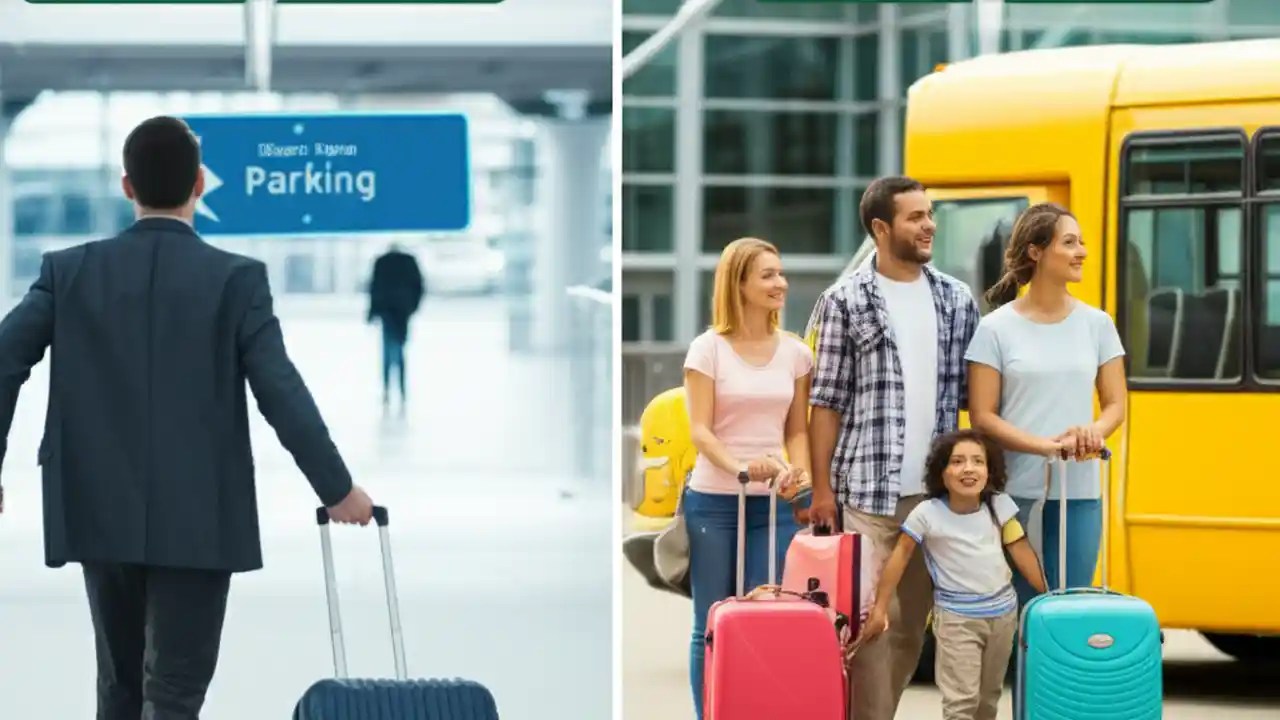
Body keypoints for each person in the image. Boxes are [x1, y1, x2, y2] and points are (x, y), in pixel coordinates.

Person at [0, 115, 374, 720]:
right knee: (173, 694)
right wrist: (337, 489)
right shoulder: (236, 280)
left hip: (98, 503)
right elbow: (280, 391)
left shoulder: (68, 273)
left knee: (118, 690)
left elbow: (3, 360)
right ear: (200, 183)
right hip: (200, 515)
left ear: (128, 187)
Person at [807, 175, 981, 720]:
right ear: (881, 228)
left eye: (930, 214)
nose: (928, 225)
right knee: (868, 626)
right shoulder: (843, 300)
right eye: (915, 217)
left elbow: (973, 398)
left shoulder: (955, 298)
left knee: (910, 628)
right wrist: (821, 489)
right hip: (865, 492)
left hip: (933, 498)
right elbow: (826, 403)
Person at [965, 201, 1127, 607]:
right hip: (1013, 492)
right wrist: (1044, 447)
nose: (1081, 252)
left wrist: (1093, 432)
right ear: (1036, 252)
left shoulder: (1098, 324)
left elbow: (1115, 405)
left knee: (1069, 606)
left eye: (1081, 243)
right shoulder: (995, 329)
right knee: (1016, 610)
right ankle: (1014, 676)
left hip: (1079, 491)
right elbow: (982, 416)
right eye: (1069, 243)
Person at [682, 237, 813, 719]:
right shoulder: (708, 350)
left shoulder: (796, 354)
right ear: (739, 283)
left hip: (773, 506)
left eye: (780, 273)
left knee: (765, 614)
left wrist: (797, 471)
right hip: (714, 501)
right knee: (711, 620)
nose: (780, 283)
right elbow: (700, 428)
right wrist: (737, 467)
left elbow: (796, 428)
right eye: (767, 275)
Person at [863, 429, 1046, 720]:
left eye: (978, 461)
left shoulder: (999, 506)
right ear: (942, 472)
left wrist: (1048, 597)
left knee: (988, 700)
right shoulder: (927, 513)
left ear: (989, 470)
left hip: (1002, 616)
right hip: (957, 621)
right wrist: (880, 608)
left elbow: (1021, 550)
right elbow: (899, 558)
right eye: (957, 461)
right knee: (961, 703)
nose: (968, 469)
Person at [366, 242, 425, 409]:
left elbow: (374, 288)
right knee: (399, 349)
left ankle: (387, 390)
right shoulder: (408, 262)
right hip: (402, 311)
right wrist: (413, 306)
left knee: (387, 351)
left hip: (387, 311)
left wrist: (372, 312)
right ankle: (400, 390)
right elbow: (418, 286)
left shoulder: (382, 262)